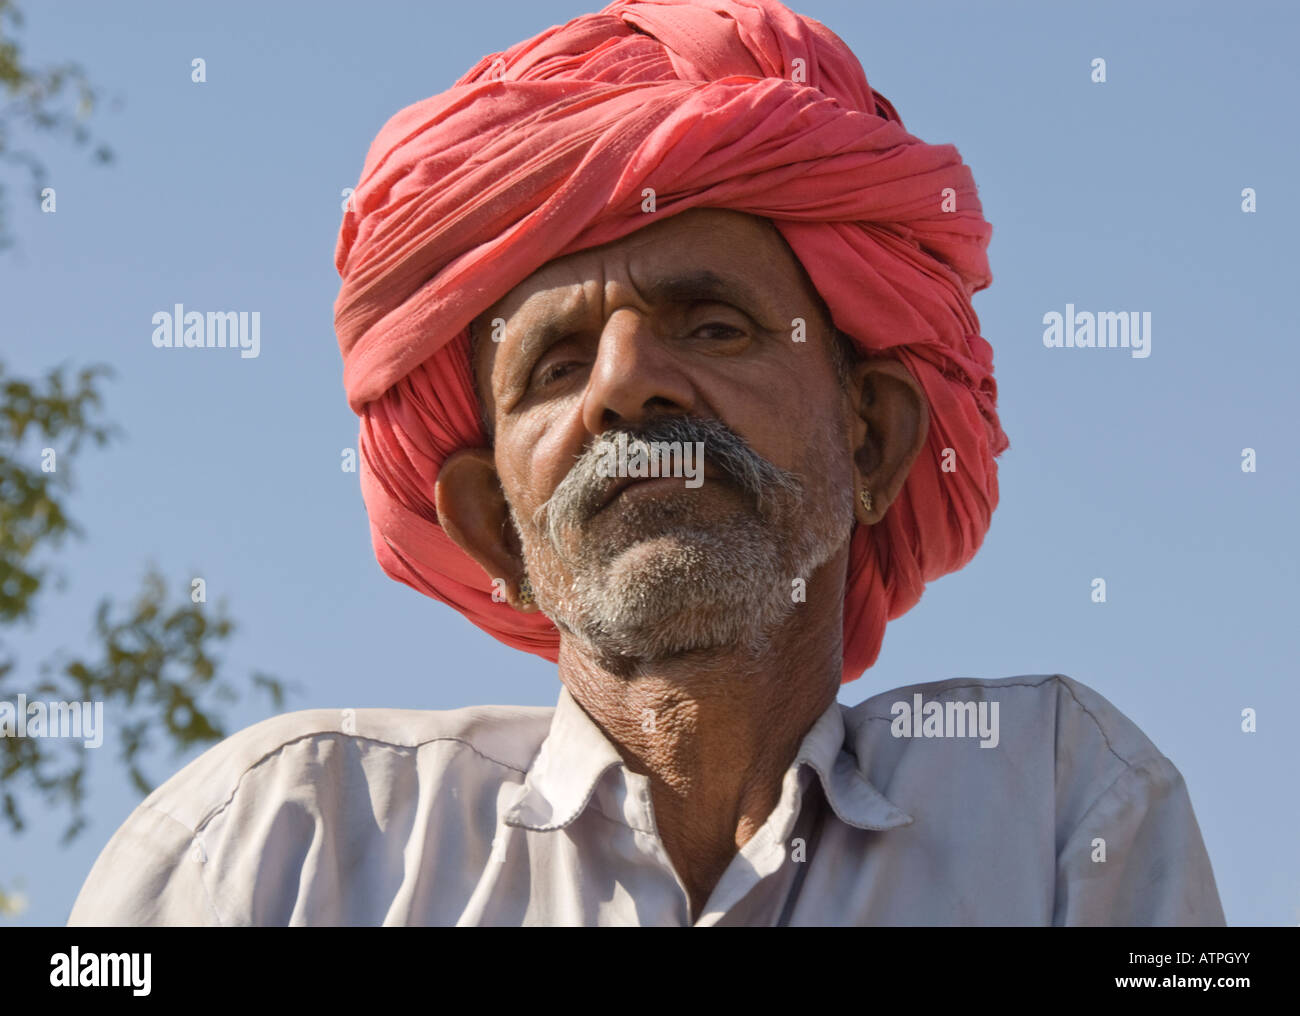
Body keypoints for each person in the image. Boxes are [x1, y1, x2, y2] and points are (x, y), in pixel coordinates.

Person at [67, 0, 1223, 926]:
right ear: (489, 525)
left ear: (869, 436)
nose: (627, 386)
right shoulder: (286, 847)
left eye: (712, 325)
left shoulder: (1059, 813)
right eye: (555, 366)